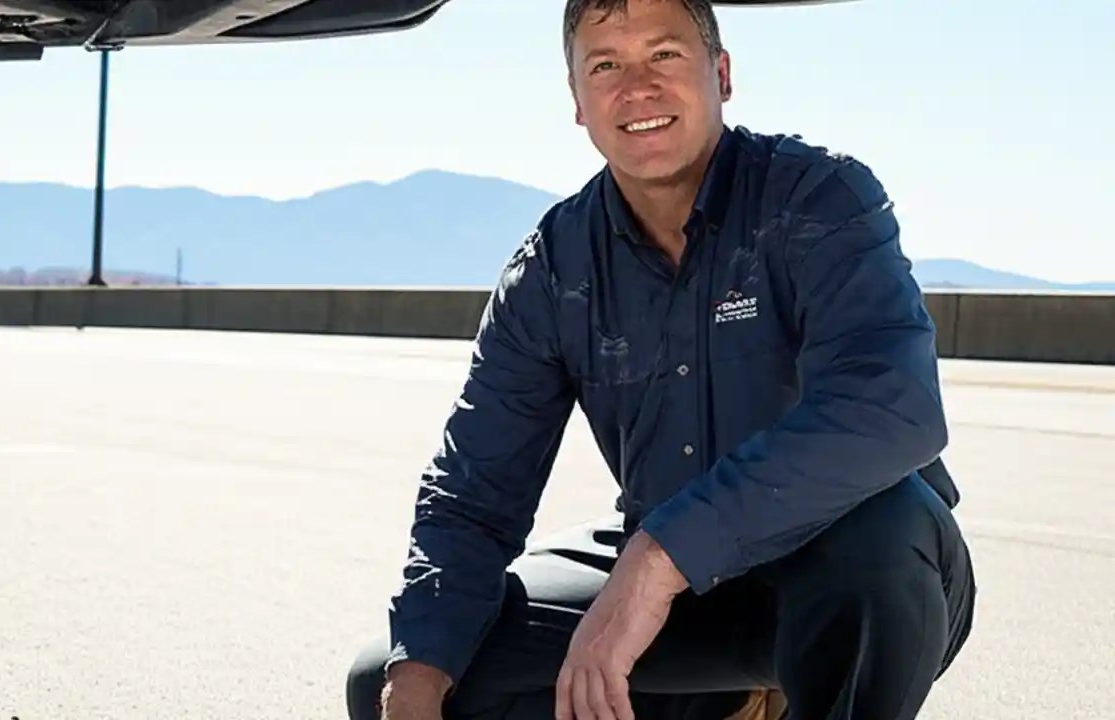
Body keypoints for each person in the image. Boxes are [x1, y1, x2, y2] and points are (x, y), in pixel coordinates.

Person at [346, 0, 977, 718]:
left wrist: (660, 554)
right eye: (606, 65)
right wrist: (417, 678)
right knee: (402, 678)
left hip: (851, 584)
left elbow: (891, 408)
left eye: (664, 55)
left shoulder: (819, 199)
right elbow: (473, 493)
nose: (636, 87)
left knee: (879, 544)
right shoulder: (554, 271)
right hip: (692, 608)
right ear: (578, 101)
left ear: (722, 73)